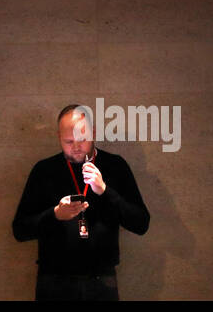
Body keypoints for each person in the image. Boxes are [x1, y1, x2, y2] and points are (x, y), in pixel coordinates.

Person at [12, 104, 149, 300]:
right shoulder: (44, 171)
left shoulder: (114, 166)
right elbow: (20, 230)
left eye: (82, 139)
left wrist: (105, 191)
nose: (76, 147)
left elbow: (141, 224)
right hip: (54, 280)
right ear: (58, 136)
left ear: (93, 133)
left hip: (102, 279)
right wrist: (54, 215)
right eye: (68, 141)